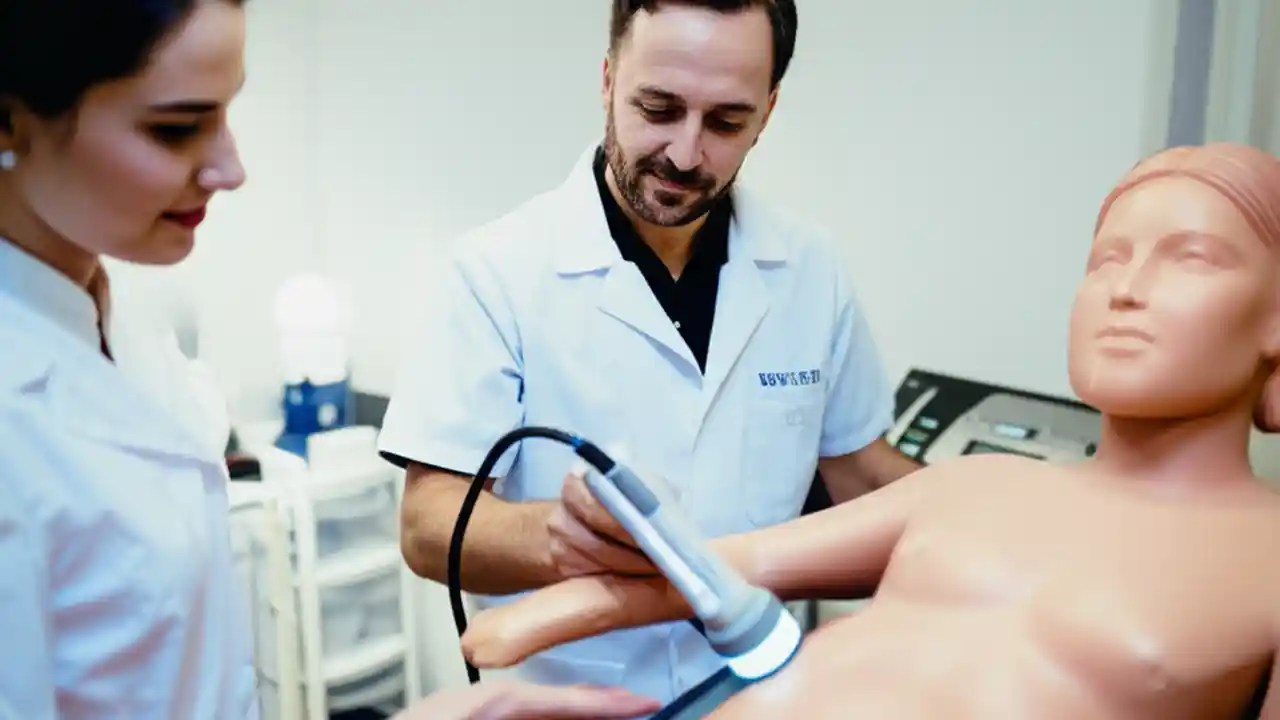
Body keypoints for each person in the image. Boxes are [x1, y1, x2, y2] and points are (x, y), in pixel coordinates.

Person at [457, 142, 1280, 719]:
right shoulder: (972, 486)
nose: (1125, 290)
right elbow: (720, 570)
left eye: (1192, 257)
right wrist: (547, 616)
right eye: (1106, 259)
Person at [0, 1, 656, 718]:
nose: (231, 167)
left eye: (227, 111)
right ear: (10, 121)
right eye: (176, 128)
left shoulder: (126, 312)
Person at [377, 0, 919, 703]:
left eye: (726, 122)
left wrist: (999, 518)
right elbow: (428, 527)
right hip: (566, 698)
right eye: (658, 109)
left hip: (755, 691)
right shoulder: (498, 270)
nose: (686, 154)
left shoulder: (809, 268)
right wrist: (558, 537)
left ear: (769, 110)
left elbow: (859, 472)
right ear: (607, 80)